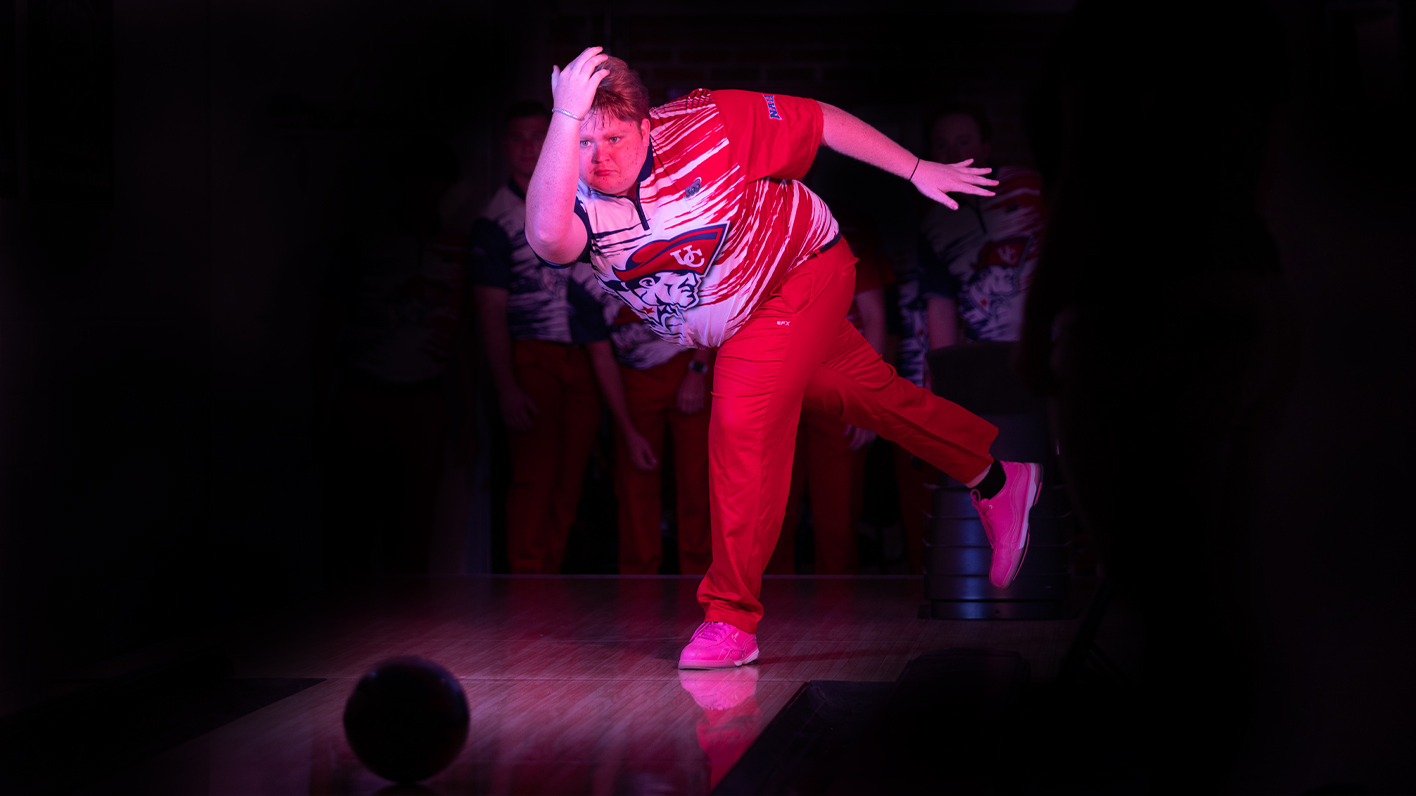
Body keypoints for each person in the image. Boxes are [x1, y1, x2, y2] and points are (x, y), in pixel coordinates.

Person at [526, 47, 1042, 669]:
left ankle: (730, 618)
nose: (599, 157)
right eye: (583, 141)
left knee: (741, 421)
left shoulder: (709, 124)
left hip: (802, 272)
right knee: (864, 394)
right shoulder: (571, 191)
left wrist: (913, 169)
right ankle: (995, 475)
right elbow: (550, 239)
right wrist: (564, 117)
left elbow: (818, 119)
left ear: (646, 124)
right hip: (740, 318)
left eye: (612, 137)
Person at [470, 102, 610, 574]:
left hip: (587, 355)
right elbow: (489, 310)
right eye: (518, 138)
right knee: (535, 476)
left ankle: (549, 587)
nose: (529, 148)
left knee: (572, 479)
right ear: (505, 146)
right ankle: (529, 590)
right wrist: (506, 385)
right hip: (534, 356)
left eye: (538, 137)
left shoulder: (578, 194)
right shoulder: (496, 217)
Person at [766, 206, 894, 575]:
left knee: (837, 518)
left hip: (837, 385)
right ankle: (768, 618)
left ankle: (838, 618)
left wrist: (869, 402)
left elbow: (875, 318)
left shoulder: (848, 226)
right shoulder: (756, 224)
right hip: (776, 385)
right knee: (771, 515)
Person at [588, 297, 715, 576]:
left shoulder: (676, 255)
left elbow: (711, 306)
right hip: (632, 374)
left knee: (698, 481)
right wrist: (627, 430)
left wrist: (697, 371)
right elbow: (601, 355)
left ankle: (702, 578)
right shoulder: (586, 278)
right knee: (635, 482)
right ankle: (638, 581)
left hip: (687, 364)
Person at [918, 103, 1046, 349]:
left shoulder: (1027, 186)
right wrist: (946, 372)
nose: (952, 153)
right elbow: (941, 306)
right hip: (985, 356)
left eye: (964, 142)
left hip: (1050, 343)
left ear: (985, 148)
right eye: (941, 145)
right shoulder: (932, 227)